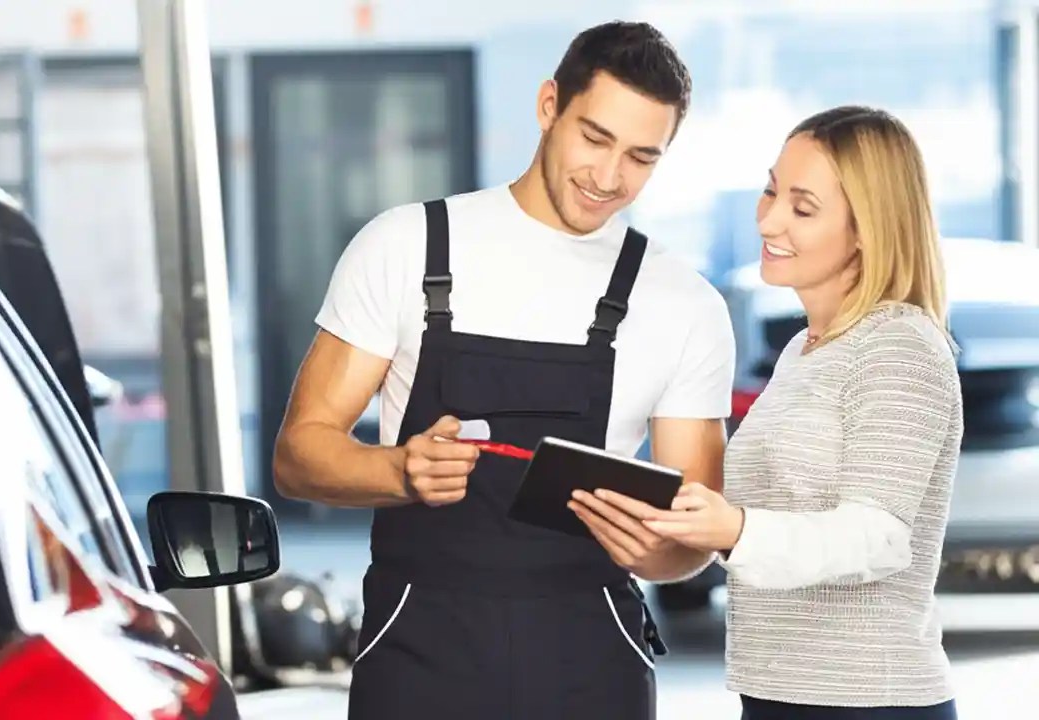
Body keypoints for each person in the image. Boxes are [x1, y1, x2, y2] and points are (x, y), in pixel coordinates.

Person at [273, 20, 736, 720]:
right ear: (549, 104)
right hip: (419, 644)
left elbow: (691, 538)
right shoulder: (405, 246)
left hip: (591, 655)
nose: (609, 178)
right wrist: (397, 470)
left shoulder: (683, 303)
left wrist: (659, 553)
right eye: (595, 138)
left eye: (642, 157)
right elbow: (298, 454)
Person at [626, 106, 963, 719]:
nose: (769, 218)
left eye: (802, 207)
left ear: (868, 229)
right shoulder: (805, 349)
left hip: (865, 702)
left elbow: (879, 537)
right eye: (771, 190)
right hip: (781, 693)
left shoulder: (898, 345)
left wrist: (734, 529)